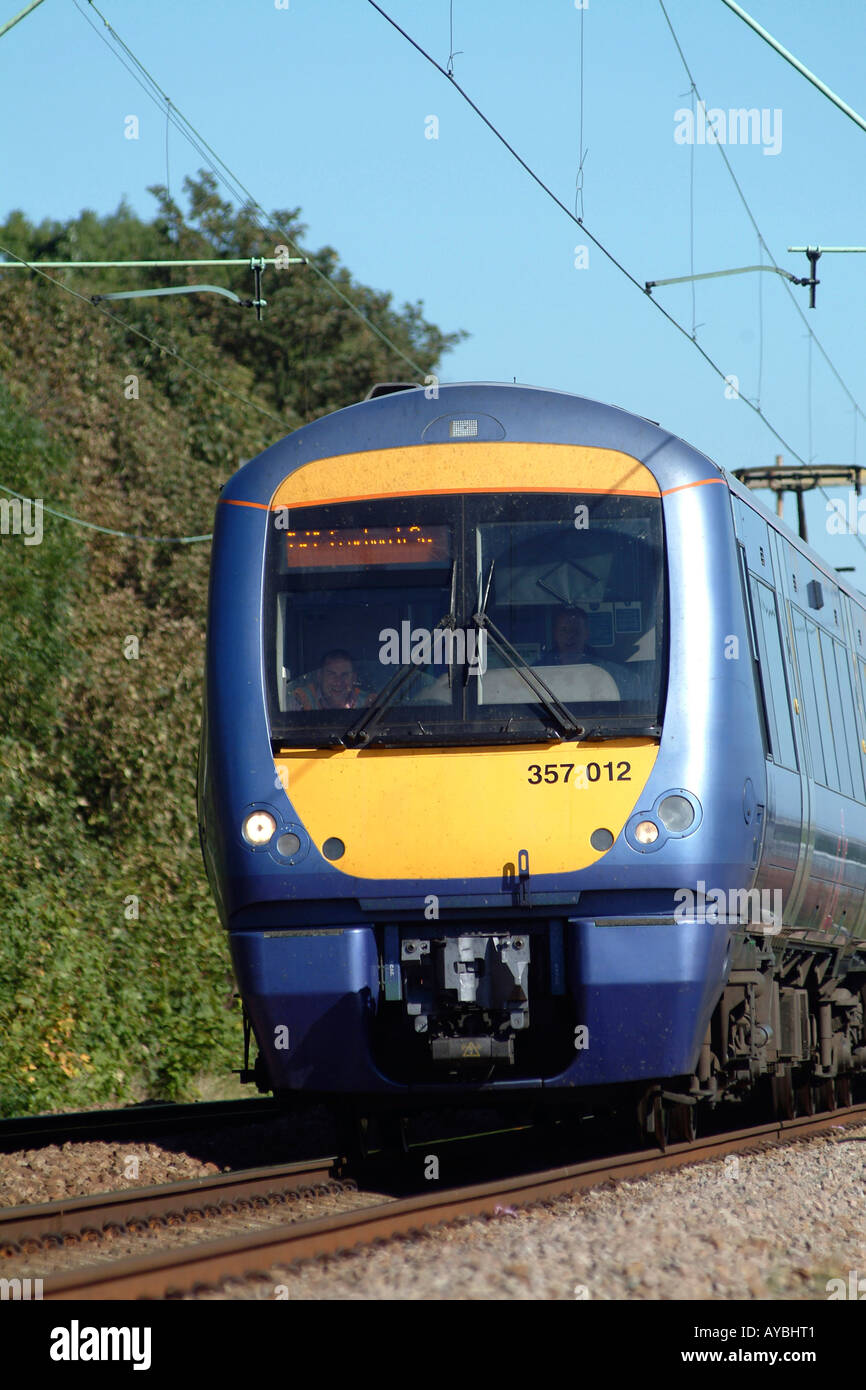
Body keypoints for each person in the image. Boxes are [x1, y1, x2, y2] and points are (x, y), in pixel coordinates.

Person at [288, 650, 372, 711]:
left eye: (345, 675)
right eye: (331, 674)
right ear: (320, 676)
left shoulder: (369, 702)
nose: (338, 682)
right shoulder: (299, 699)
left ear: (354, 678)